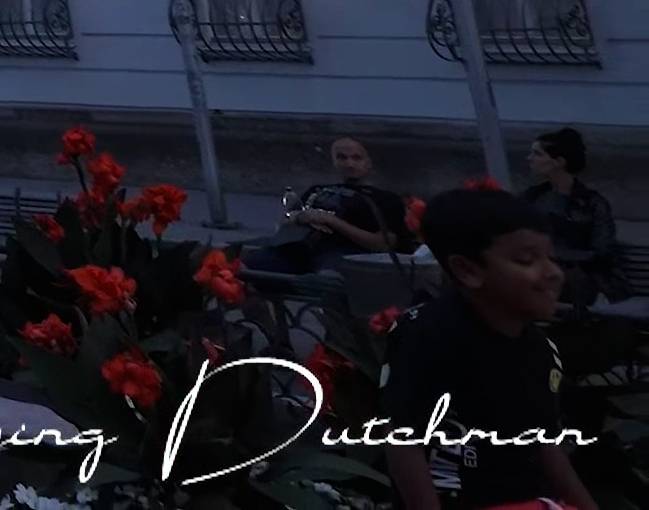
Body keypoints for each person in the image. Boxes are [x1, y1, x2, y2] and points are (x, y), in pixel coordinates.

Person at [378, 188, 591, 509]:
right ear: (467, 270)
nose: (553, 273)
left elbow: (547, 443)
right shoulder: (426, 335)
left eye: (551, 258)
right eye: (527, 260)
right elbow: (404, 442)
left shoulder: (539, 348)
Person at [255, 136, 412, 276]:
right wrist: (301, 217)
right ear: (334, 162)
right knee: (249, 264)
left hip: (345, 255)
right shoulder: (317, 190)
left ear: (369, 162)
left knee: (328, 278)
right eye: (342, 158)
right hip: (299, 249)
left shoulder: (385, 199)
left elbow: (383, 244)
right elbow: (286, 220)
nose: (349, 164)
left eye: (357, 158)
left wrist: (331, 221)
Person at [523, 127, 625, 312]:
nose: (530, 158)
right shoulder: (532, 197)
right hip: (544, 272)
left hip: (583, 277)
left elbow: (601, 252)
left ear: (559, 162)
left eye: (537, 154)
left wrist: (555, 255)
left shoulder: (591, 203)